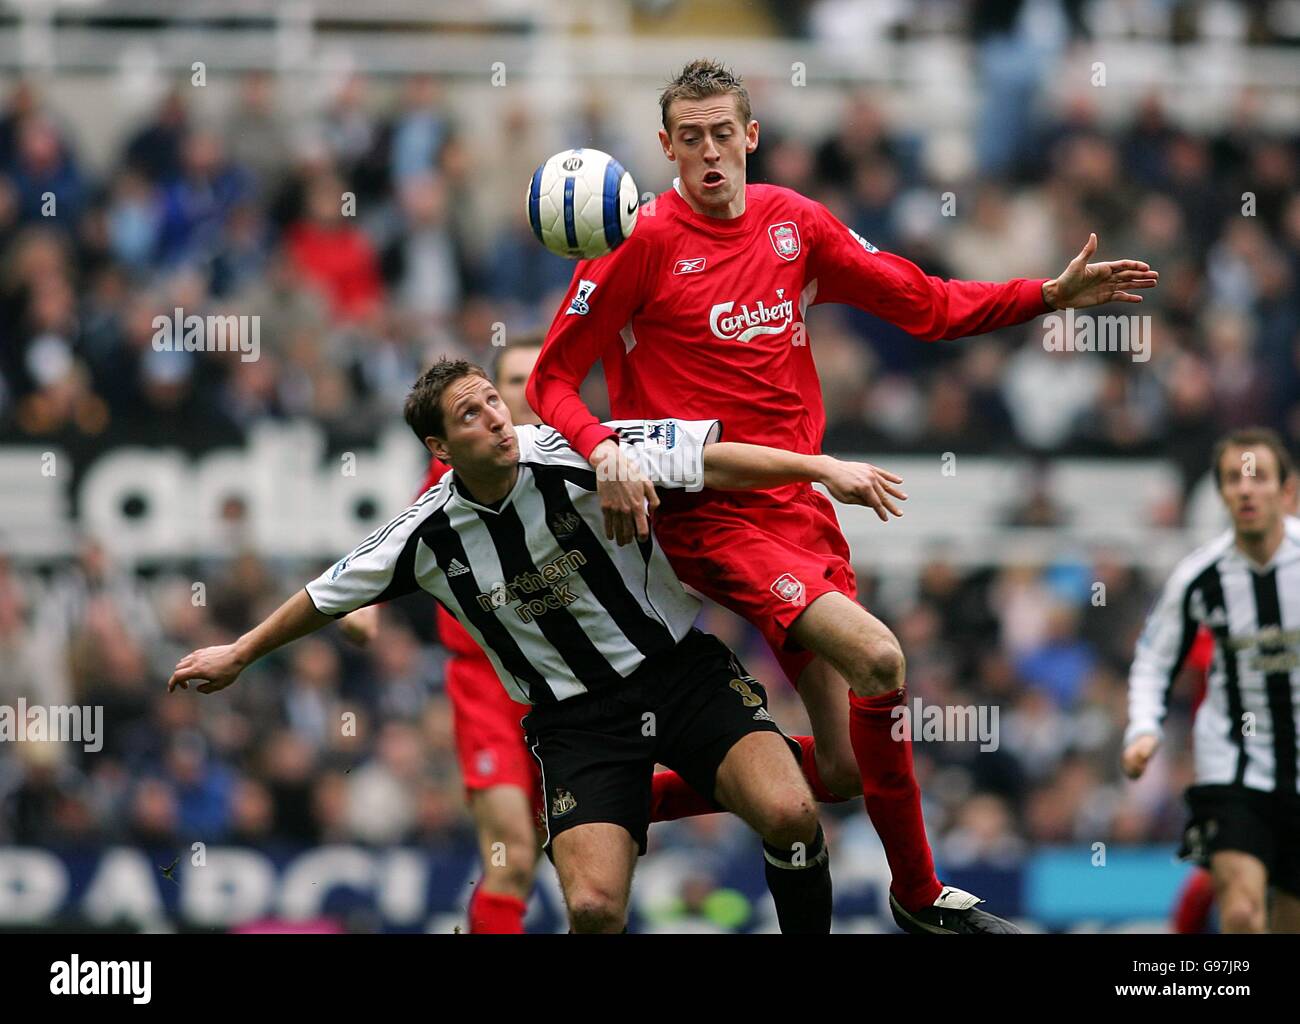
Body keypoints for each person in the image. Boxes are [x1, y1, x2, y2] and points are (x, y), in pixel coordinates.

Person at [527, 58, 1158, 932]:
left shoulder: (796, 224)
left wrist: (1047, 295)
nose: (710, 154)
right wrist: (604, 451)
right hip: (708, 512)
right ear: (665, 148)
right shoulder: (635, 243)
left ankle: (607, 804)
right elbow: (550, 382)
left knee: (845, 769)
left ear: (751, 136)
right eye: (691, 139)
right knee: (881, 659)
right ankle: (921, 896)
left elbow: (927, 305)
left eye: (724, 134)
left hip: (802, 510)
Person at [168, 357, 905, 933]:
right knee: (592, 910)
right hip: (575, 725)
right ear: (439, 446)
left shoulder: (581, 454)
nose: (495, 417)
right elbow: (325, 592)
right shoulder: (425, 534)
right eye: (471, 413)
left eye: (494, 399)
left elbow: (710, 459)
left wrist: (822, 468)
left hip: (683, 676)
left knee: (790, 814)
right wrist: (239, 653)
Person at [340, 336, 546, 934]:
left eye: (535, 382)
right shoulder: (456, 466)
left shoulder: (578, 456)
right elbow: (404, 536)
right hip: (486, 680)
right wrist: (365, 603)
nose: (520, 397)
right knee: (511, 852)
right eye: (509, 383)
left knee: (583, 864)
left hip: (569, 681)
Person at [1124, 428, 1300, 934]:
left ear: (1285, 492)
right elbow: (1154, 659)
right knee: (1242, 912)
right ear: (1221, 492)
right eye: (1232, 479)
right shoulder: (1199, 577)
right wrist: (1143, 728)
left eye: (1258, 477)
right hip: (1233, 765)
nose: (1246, 490)